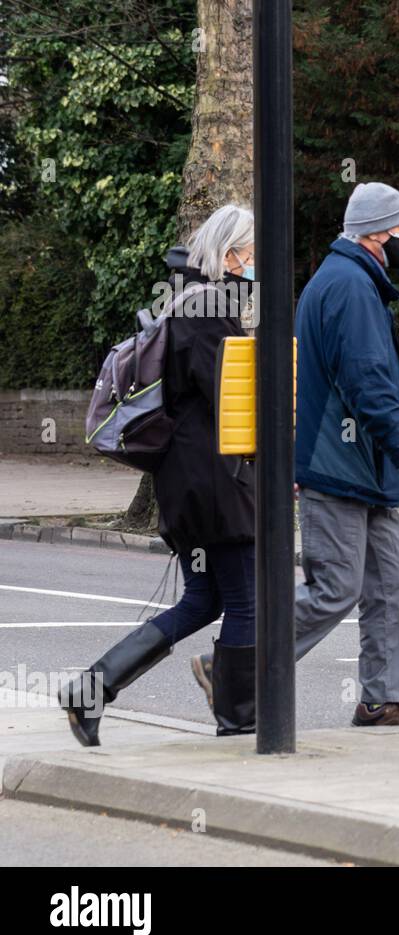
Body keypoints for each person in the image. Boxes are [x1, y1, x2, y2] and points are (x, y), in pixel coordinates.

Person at [61, 204, 258, 744]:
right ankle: (241, 718)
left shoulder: (184, 302)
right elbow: (232, 402)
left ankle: (91, 689)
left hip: (188, 481)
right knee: (247, 601)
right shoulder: (209, 309)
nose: (255, 263)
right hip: (215, 481)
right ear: (229, 254)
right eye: (251, 253)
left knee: (203, 599)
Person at [285, 181, 399, 727]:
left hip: (361, 470)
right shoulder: (349, 286)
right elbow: (369, 383)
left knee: (392, 587)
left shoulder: (353, 280)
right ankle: (237, 664)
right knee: (335, 590)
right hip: (339, 466)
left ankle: (382, 700)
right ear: (378, 233)